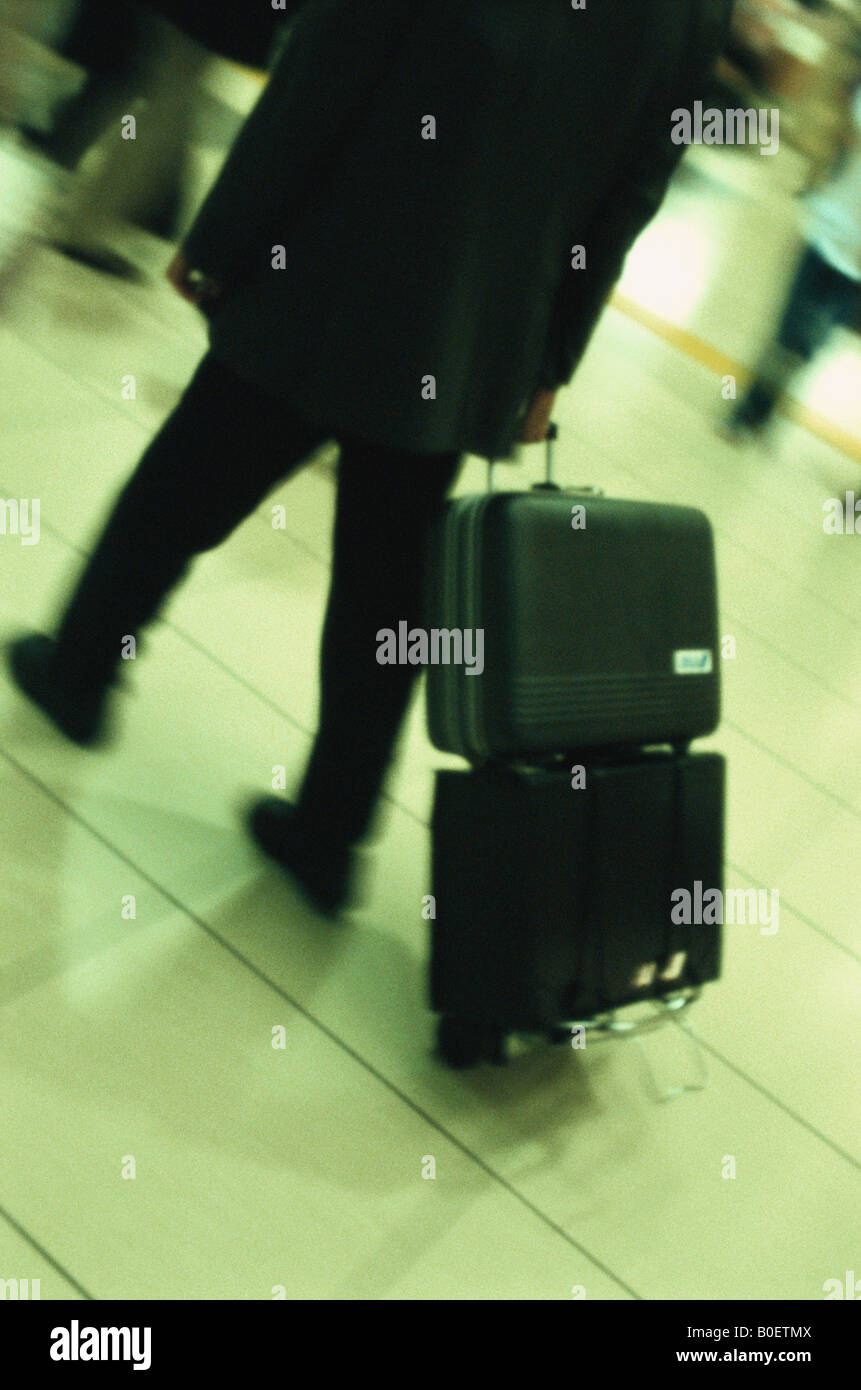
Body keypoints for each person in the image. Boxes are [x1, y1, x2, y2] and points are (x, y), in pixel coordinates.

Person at [6, 0, 734, 915]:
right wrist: (549, 361)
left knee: (179, 491)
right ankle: (330, 831)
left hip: (328, 272)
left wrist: (227, 233)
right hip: (472, 335)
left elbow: (323, 78)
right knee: (387, 595)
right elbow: (628, 194)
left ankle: (78, 673)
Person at [727, 72, 861, 439]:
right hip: (827, 229)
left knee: (808, 339)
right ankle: (751, 410)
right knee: (792, 331)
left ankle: (758, 408)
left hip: (848, 249)